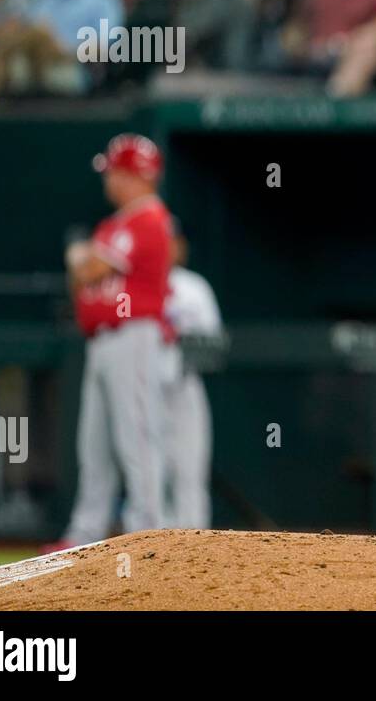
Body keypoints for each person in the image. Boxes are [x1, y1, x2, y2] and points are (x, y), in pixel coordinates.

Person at [58, 134, 174, 547]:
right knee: (94, 446)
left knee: (137, 436)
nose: (108, 180)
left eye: (114, 172)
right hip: (103, 340)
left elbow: (85, 270)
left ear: (131, 174)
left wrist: (83, 257)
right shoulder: (116, 223)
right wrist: (84, 260)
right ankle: (84, 535)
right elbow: (83, 270)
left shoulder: (149, 219)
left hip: (132, 336)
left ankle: (147, 534)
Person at [160, 225, 224, 529]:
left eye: (174, 241)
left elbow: (213, 343)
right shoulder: (135, 284)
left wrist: (180, 338)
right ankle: (150, 540)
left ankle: (195, 544)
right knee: (149, 472)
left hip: (185, 384)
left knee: (189, 468)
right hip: (144, 388)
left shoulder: (194, 286)